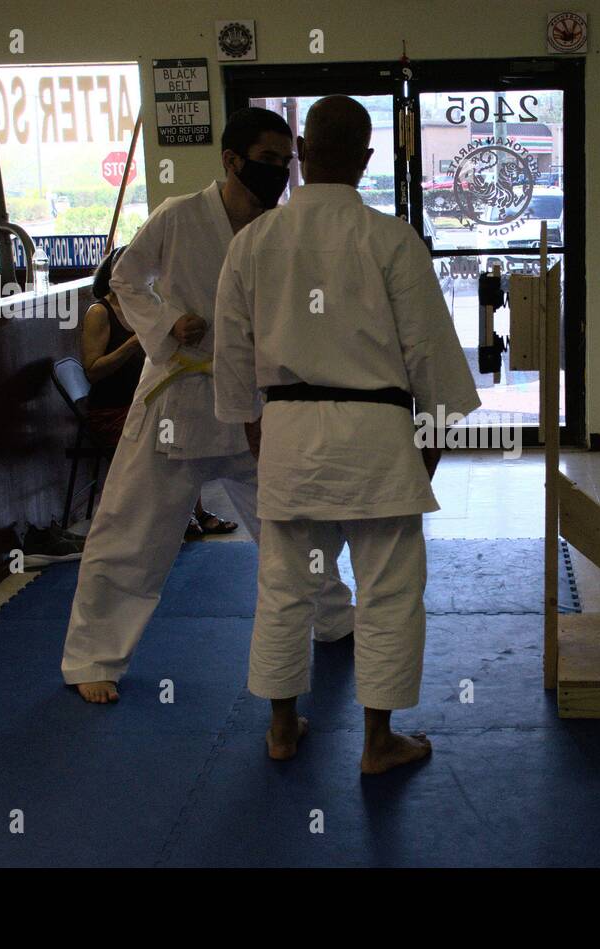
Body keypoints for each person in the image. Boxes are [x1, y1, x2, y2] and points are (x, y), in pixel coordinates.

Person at [213, 95, 480, 774]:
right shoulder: (391, 240)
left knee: (282, 586)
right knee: (388, 592)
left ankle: (279, 728)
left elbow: (234, 360)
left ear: (300, 150)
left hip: (290, 432)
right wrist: (426, 455)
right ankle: (378, 742)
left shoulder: (253, 243)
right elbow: (433, 364)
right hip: (377, 436)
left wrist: (258, 434)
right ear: (366, 160)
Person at [61, 107, 354, 705]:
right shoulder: (179, 215)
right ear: (231, 159)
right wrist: (168, 323)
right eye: (268, 160)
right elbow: (126, 280)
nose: (277, 171)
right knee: (129, 532)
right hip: (179, 397)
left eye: (285, 161)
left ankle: (333, 617)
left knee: (296, 521)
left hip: (251, 402)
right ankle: (94, 655)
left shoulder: (282, 230)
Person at [81, 247, 238, 540]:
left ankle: (194, 511)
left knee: (184, 420)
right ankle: (176, 515)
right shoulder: (100, 312)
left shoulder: (153, 310)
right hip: (112, 409)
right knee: (164, 433)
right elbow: (92, 369)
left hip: (142, 402)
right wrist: (134, 342)